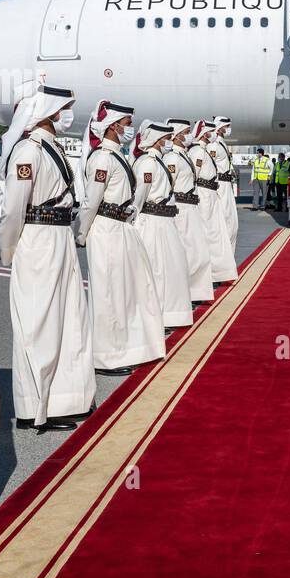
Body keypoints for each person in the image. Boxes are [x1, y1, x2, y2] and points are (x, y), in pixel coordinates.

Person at [0, 81, 96, 432]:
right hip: (37, 240)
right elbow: (12, 210)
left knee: (68, 321)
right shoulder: (28, 151)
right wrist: (8, 250)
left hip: (58, 237)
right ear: (48, 112)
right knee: (38, 323)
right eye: (61, 109)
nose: (66, 115)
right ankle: (33, 408)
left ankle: (65, 399)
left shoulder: (50, 148)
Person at [76, 101, 166, 374]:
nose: (131, 129)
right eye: (127, 124)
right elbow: (91, 201)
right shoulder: (102, 158)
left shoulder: (116, 155)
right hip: (105, 229)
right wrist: (81, 234)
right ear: (113, 126)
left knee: (126, 292)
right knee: (108, 295)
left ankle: (124, 349)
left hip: (120, 228)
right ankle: (105, 357)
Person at [131, 121, 194, 330]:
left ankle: (168, 315)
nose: (169, 142)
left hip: (164, 223)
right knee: (157, 272)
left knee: (171, 270)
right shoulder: (147, 163)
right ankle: (156, 316)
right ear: (158, 140)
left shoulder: (156, 161)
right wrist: (135, 221)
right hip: (152, 223)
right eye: (166, 138)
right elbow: (139, 196)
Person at [164, 119, 215, 306]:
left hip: (190, 208)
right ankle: (188, 292)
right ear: (176, 135)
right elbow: (167, 186)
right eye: (185, 132)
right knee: (189, 253)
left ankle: (194, 291)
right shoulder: (172, 159)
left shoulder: (183, 155)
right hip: (181, 209)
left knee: (198, 253)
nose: (189, 135)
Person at [187, 120, 237, 287]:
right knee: (212, 232)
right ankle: (213, 273)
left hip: (216, 190)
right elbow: (195, 176)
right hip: (206, 193)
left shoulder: (211, 147)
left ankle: (220, 270)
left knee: (224, 230)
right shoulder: (204, 150)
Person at [209, 116, 239, 249]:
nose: (229, 129)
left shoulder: (221, 143)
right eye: (227, 127)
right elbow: (211, 166)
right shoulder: (214, 145)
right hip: (220, 185)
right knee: (225, 219)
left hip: (226, 184)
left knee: (231, 221)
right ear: (220, 128)